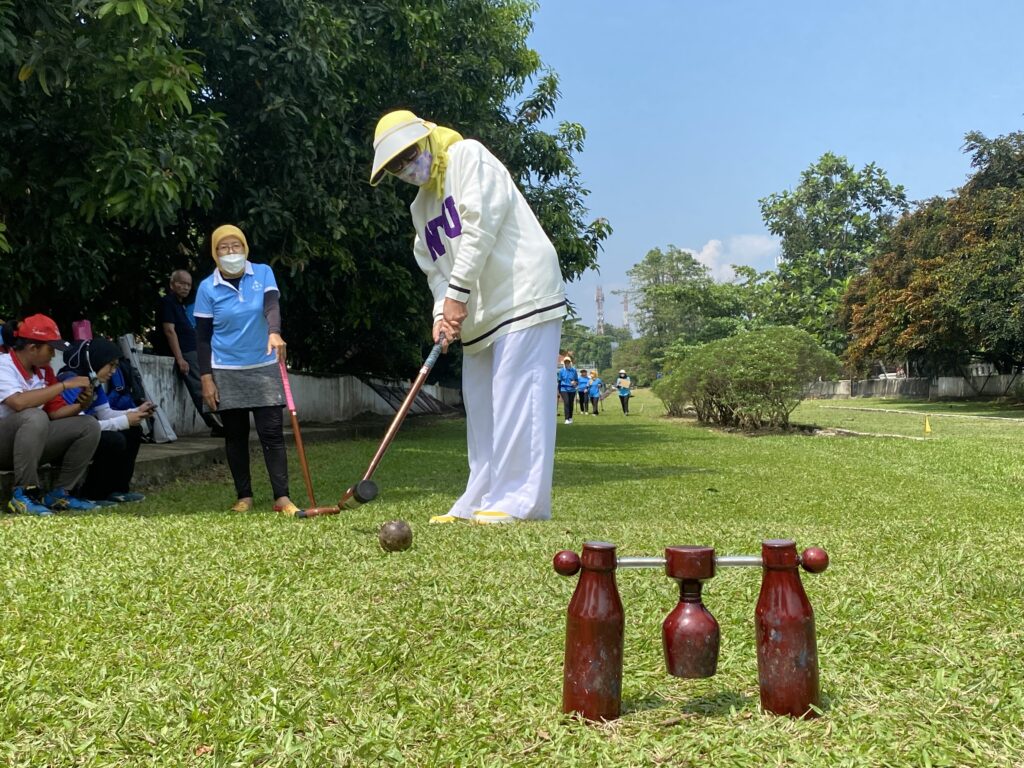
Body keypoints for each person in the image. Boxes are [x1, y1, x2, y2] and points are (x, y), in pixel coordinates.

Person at [370, 109, 566, 524]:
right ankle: (480, 496)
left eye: (408, 155)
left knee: (518, 393)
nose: (406, 167)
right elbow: (434, 269)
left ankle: (521, 502)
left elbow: (480, 226)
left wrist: (457, 295)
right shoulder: (420, 208)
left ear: (425, 138)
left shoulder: (468, 156)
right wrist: (443, 311)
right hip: (478, 311)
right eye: (395, 165)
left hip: (522, 292)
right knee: (481, 404)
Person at [194, 224, 300, 516]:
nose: (231, 253)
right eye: (224, 248)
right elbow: (202, 338)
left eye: (236, 246)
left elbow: (271, 306)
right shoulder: (207, 287)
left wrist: (274, 332)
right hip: (226, 369)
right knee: (235, 436)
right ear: (215, 254)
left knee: (272, 434)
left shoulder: (263, 272)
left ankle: (282, 498)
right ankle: (244, 496)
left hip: (264, 364)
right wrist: (206, 379)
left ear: (245, 248)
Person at [0, 314, 101, 515]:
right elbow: (18, 403)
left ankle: (60, 494)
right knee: (34, 416)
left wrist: (83, 402)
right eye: (50, 349)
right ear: (32, 348)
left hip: (28, 445)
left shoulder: (44, 372)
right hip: (3, 444)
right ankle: (23, 494)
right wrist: (65, 385)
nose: (53, 355)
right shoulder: (4, 365)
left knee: (88, 425)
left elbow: (56, 414)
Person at [58, 339, 153, 505]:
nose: (113, 371)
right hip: (66, 440)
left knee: (133, 431)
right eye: (111, 365)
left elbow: (105, 413)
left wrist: (135, 412)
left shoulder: (93, 382)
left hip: (84, 432)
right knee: (112, 440)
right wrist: (125, 420)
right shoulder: (71, 381)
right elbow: (80, 425)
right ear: (97, 360)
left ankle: (117, 489)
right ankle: (93, 493)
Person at [155, 269, 224, 436]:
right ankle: (218, 426)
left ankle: (222, 423)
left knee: (211, 386)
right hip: (186, 352)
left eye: (188, 284)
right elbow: (169, 331)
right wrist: (180, 358)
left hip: (194, 350)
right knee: (201, 389)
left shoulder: (180, 304)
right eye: (181, 283)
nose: (185, 287)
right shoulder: (167, 302)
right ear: (172, 284)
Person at [557, 357, 578, 424]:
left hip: (572, 389)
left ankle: (570, 417)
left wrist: (575, 383)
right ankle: (566, 419)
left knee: (571, 404)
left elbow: (577, 380)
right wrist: (559, 391)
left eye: (568, 362)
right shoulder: (561, 371)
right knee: (567, 402)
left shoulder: (574, 370)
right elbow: (559, 381)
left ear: (570, 363)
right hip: (564, 389)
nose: (567, 363)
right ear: (564, 363)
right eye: (565, 362)